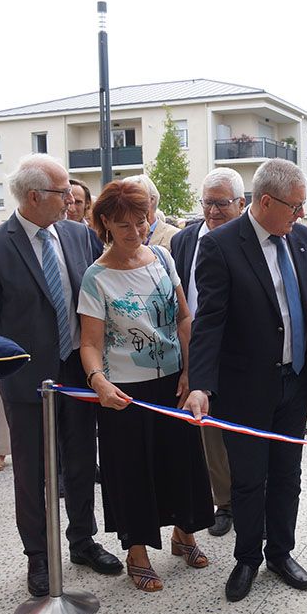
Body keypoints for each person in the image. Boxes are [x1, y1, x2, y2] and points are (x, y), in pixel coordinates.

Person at [0, 154, 119, 599]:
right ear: (34, 196)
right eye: (62, 192)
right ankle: (39, 555)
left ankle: (82, 541)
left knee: (79, 461)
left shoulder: (76, 235)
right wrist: (11, 368)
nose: (72, 200)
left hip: (77, 370)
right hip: (27, 381)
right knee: (33, 472)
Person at [183, 158, 307, 603]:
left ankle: (280, 552)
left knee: (288, 475)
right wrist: (201, 384)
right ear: (265, 201)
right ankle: (247, 557)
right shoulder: (221, 245)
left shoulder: (303, 240)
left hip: (295, 382)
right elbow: (211, 321)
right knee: (248, 479)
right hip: (245, 387)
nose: (301, 216)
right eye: (295, 206)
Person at [78, 179, 213, 592]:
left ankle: (184, 533)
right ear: (104, 223)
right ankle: (136, 548)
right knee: (131, 469)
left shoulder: (162, 257)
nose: (135, 232)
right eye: (124, 225)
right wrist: (98, 381)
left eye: (142, 221)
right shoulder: (96, 277)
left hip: (173, 381)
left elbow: (184, 319)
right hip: (124, 391)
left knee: (181, 462)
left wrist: (191, 373)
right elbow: (89, 343)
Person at [171, 167, 246, 537]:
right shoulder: (184, 241)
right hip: (197, 348)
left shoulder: (246, 239)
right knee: (209, 431)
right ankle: (225, 502)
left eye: (221, 204)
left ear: (240, 204)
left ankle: (247, 496)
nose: (213, 212)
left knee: (241, 428)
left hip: (239, 350)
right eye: (207, 203)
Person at [124, 174, 179, 252]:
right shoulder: (116, 237)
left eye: (136, 200)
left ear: (152, 200)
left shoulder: (174, 236)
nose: (126, 206)